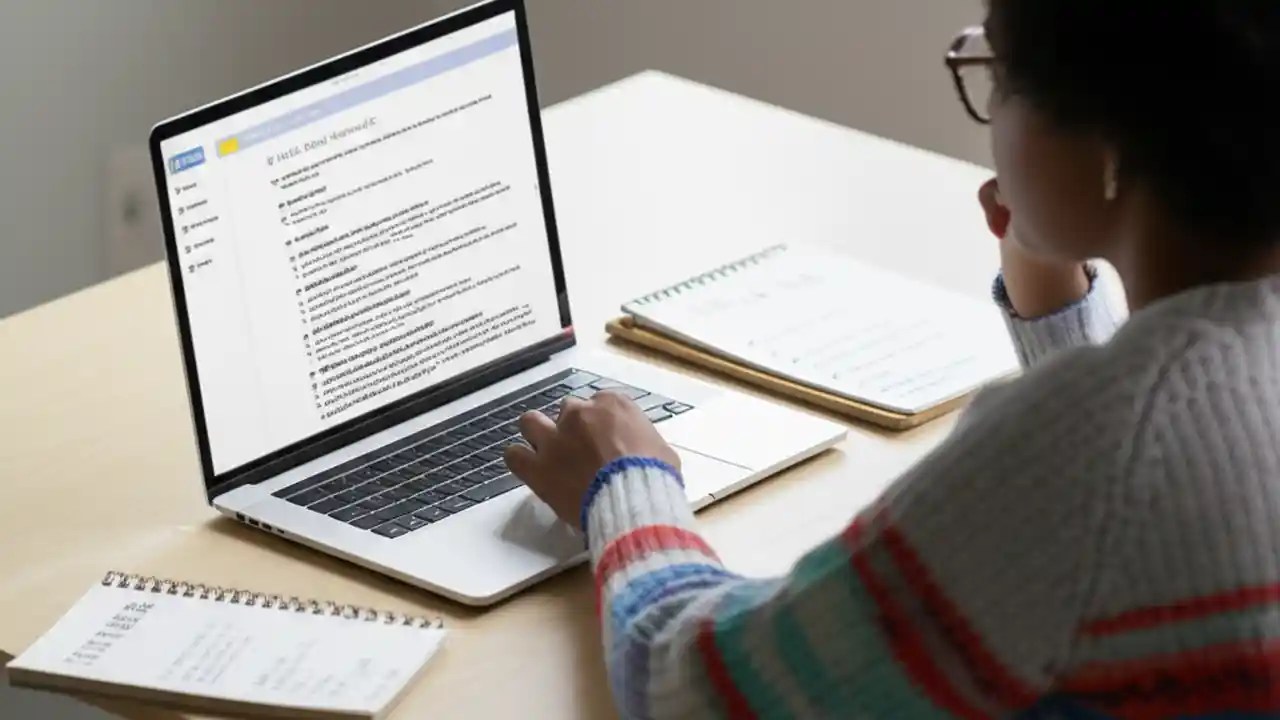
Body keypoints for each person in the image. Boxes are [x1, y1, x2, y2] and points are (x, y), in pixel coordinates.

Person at [504, 1, 1280, 717]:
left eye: (999, 76)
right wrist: (1050, 296)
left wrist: (623, 483)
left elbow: (695, 689)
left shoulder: (1084, 455)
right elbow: (1169, 463)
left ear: (1107, 140)